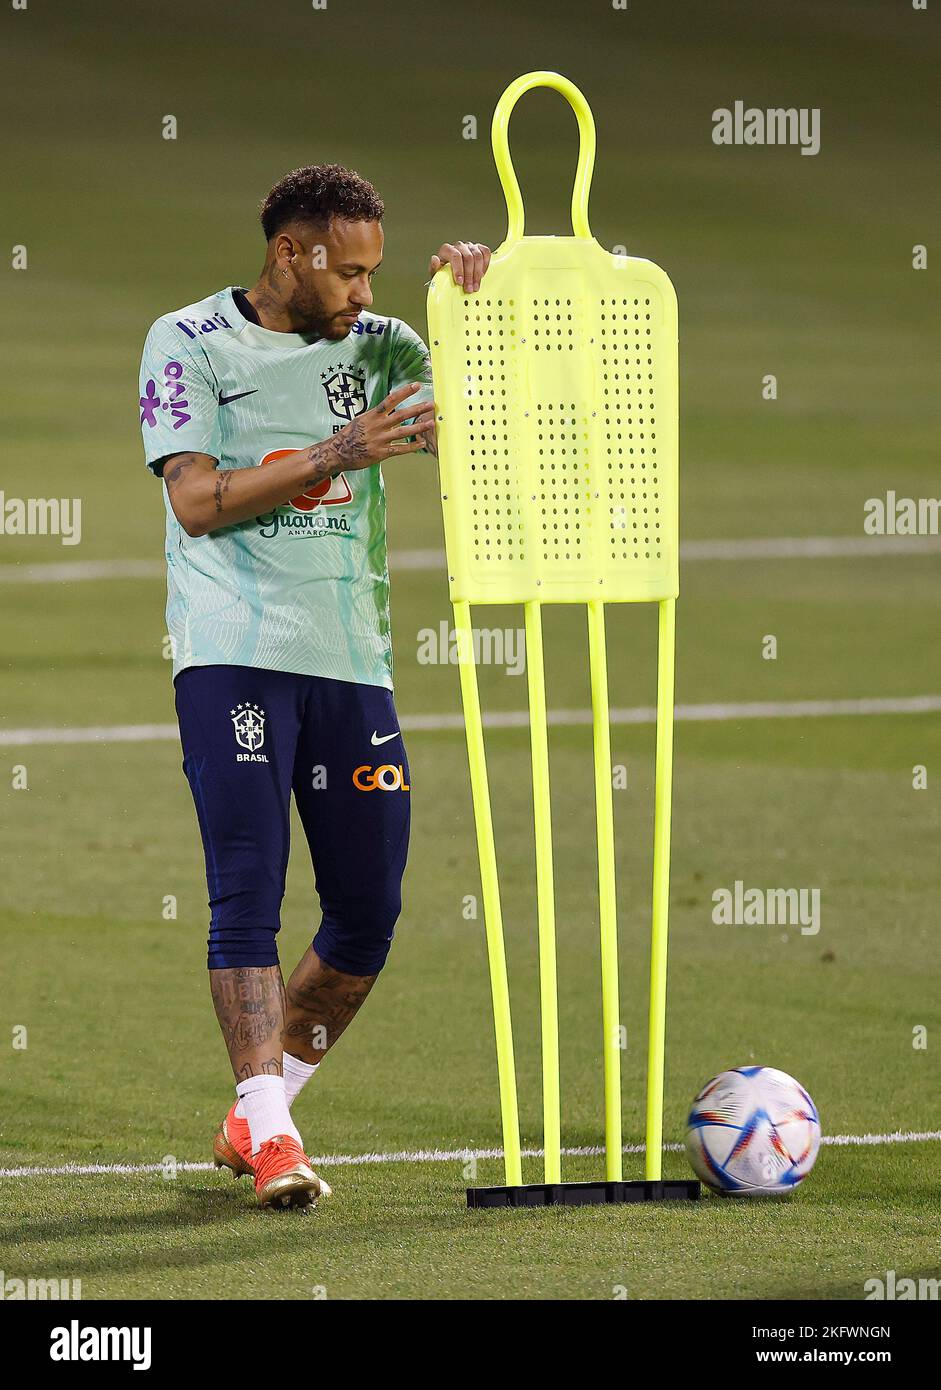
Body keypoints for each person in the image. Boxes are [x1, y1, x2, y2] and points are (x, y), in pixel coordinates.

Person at [138, 162, 491, 1208]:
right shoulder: (187, 342)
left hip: (350, 657)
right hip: (233, 646)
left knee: (368, 912)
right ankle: (275, 1131)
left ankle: (260, 1109)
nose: (364, 296)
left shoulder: (384, 348)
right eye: (349, 272)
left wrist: (479, 305)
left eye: (379, 274)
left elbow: (501, 406)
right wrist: (336, 448)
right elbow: (197, 500)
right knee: (246, 889)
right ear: (290, 254)